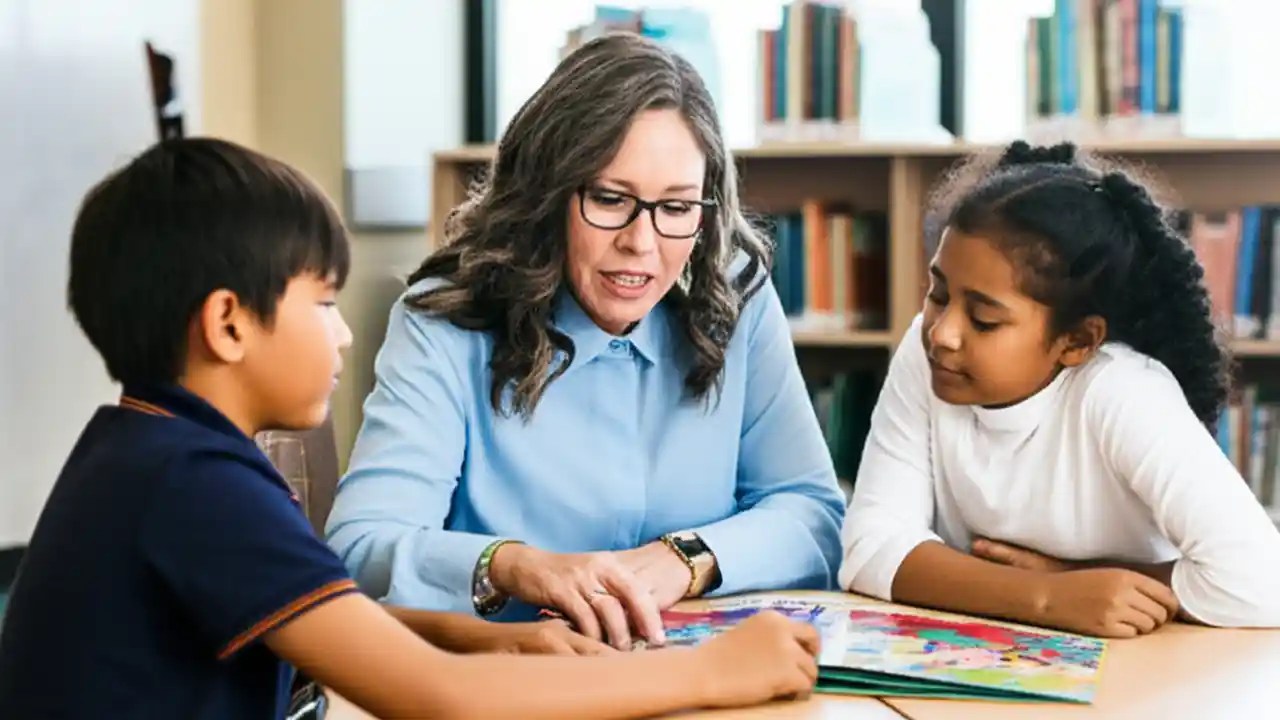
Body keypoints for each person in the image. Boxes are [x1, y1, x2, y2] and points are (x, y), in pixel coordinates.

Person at [0, 137, 822, 719]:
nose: (345, 332)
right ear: (227, 324)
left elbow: (322, 625)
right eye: (322, 303)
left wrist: (493, 644)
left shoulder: (142, 449)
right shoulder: (199, 486)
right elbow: (439, 700)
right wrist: (712, 673)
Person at [326, 32, 846, 650]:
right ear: (545, 194)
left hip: (704, 682)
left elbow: (812, 513)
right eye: (609, 199)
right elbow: (362, 545)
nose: (642, 243)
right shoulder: (447, 317)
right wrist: (513, 565)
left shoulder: (738, 299)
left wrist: (686, 557)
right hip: (511, 685)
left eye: (676, 208)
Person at [839, 140, 1280, 638]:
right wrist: (1048, 597)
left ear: (1076, 341)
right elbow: (868, 548)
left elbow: (1262, 582)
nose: (942, 333)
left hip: (1145, 665)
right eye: (938, 294)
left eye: (984, 319)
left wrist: (1071, 581)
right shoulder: (926, 355)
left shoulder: (1123, 392)